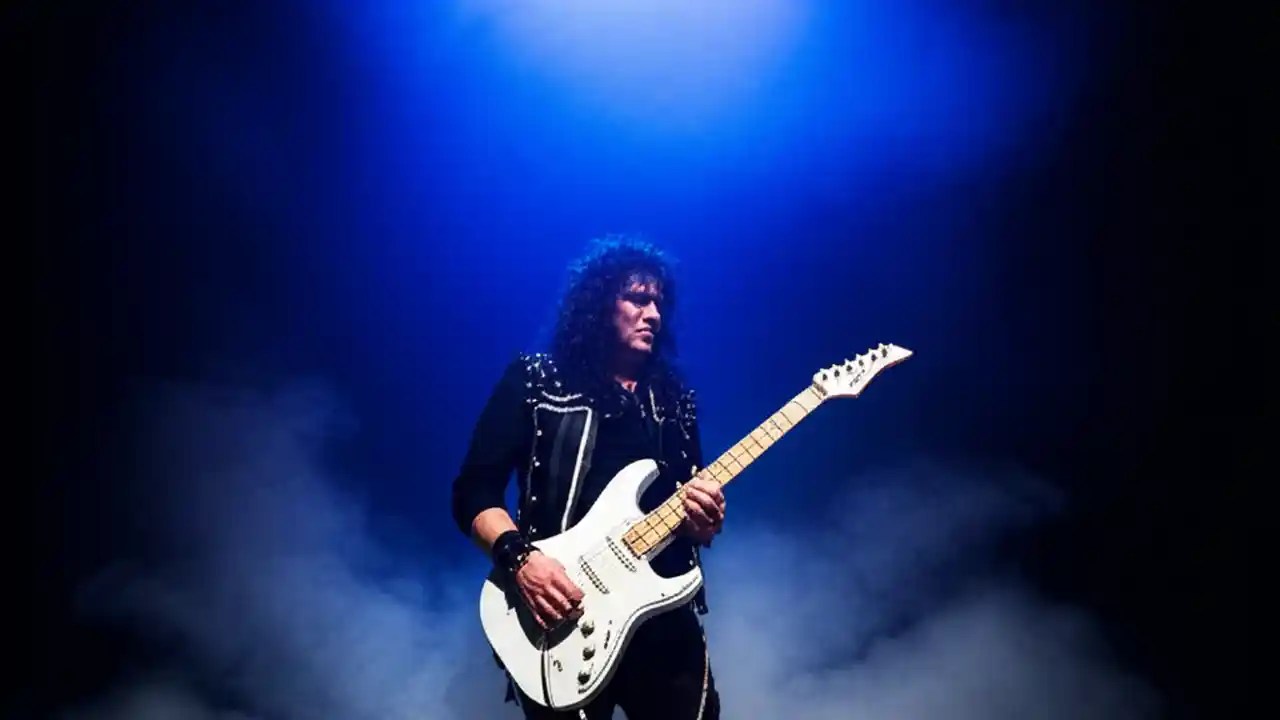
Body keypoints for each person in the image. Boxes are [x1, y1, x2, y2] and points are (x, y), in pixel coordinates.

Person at [451, 235, 725, 719]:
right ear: (599, 304)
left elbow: (691, 517)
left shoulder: (674, 400)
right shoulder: (536, 381)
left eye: (659, 303)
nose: (653, 314)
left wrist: (705, 521)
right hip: (565, 612)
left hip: (662, 615)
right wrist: (521, 561)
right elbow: (474, 492)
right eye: (637, 298)